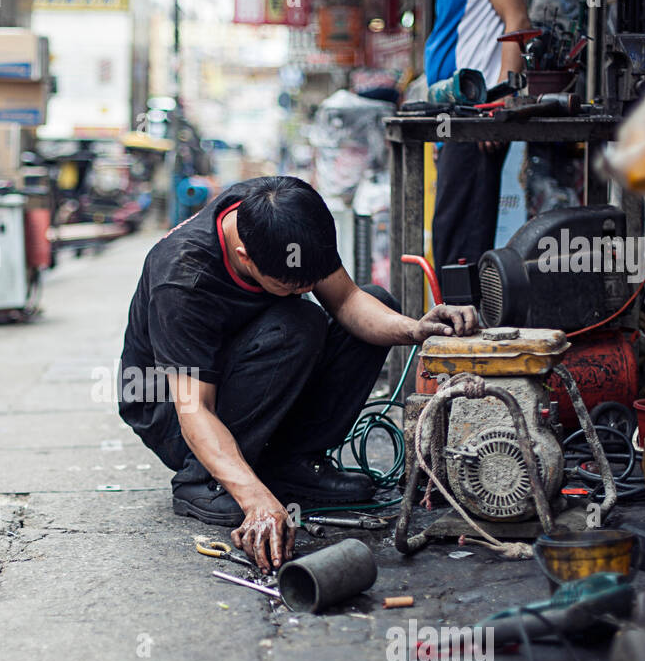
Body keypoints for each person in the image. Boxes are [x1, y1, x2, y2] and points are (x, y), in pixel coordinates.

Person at [117, 176, 478, 573]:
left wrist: (417, 330)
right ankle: (201, 480)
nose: (302, 289)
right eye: (289, 285)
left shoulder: (283, 218)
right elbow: (194, 410)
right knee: (297, 322)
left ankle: (292, 465)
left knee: (376, 303)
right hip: (175, 415)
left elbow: (347, 300)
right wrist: (255, 500)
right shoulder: (183, 277)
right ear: (245, 257)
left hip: (244, 374)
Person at [399, 0, 530, 271]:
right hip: (456, 119)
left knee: (461, 251)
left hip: (476, 119)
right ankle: (457, 316)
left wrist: (497, 105)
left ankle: (462, 319)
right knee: (450, 239)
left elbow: (518, 22)